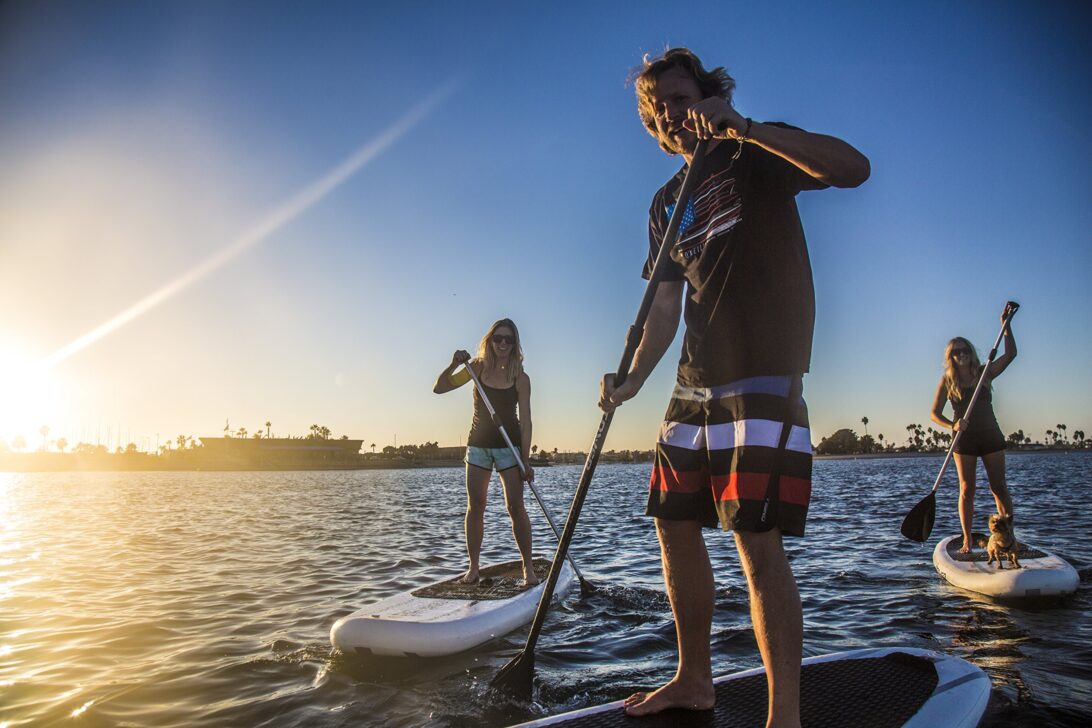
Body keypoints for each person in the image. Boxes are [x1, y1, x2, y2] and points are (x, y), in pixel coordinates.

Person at [599, 48, 869, 725]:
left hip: (763, 368)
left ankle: (785, 715)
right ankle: (694, 680)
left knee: (755, 538)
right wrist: (630, 378)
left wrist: (742, 127)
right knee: (672, 525)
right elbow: (663, 309)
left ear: (710, 95)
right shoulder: (664, 206)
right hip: (693, 382)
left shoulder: (754, 149)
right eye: (658, 109)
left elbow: (851, 168)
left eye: (680, 96)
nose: (670, 113)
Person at [434, 319, 539, 587]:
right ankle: (473, 568)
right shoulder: (476, 368)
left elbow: (526, 422)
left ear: (515, 344)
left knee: (515, 507)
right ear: (490, 341)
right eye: (498, 338)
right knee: (476, 506)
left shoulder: (520, 378)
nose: (503, 344)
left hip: (509, 447)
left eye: (508, 340)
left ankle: (528, 568)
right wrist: (455, 364)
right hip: (479, 447)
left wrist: (525, 461)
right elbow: (440, 387)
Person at [929, 315, 1017, 554]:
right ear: (951, 356)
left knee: (998, 486)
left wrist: (1005, 327)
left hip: (990, 435)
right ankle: (967, 540)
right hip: (964, 439)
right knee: (967, 489)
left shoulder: (984, 372)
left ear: (970, 351)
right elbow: (934, 413)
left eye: (965, 349)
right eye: (956, 351)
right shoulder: (948, 381)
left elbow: (1010, 356)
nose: (962, 353)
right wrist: (953, 425)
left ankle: (1009, 535)